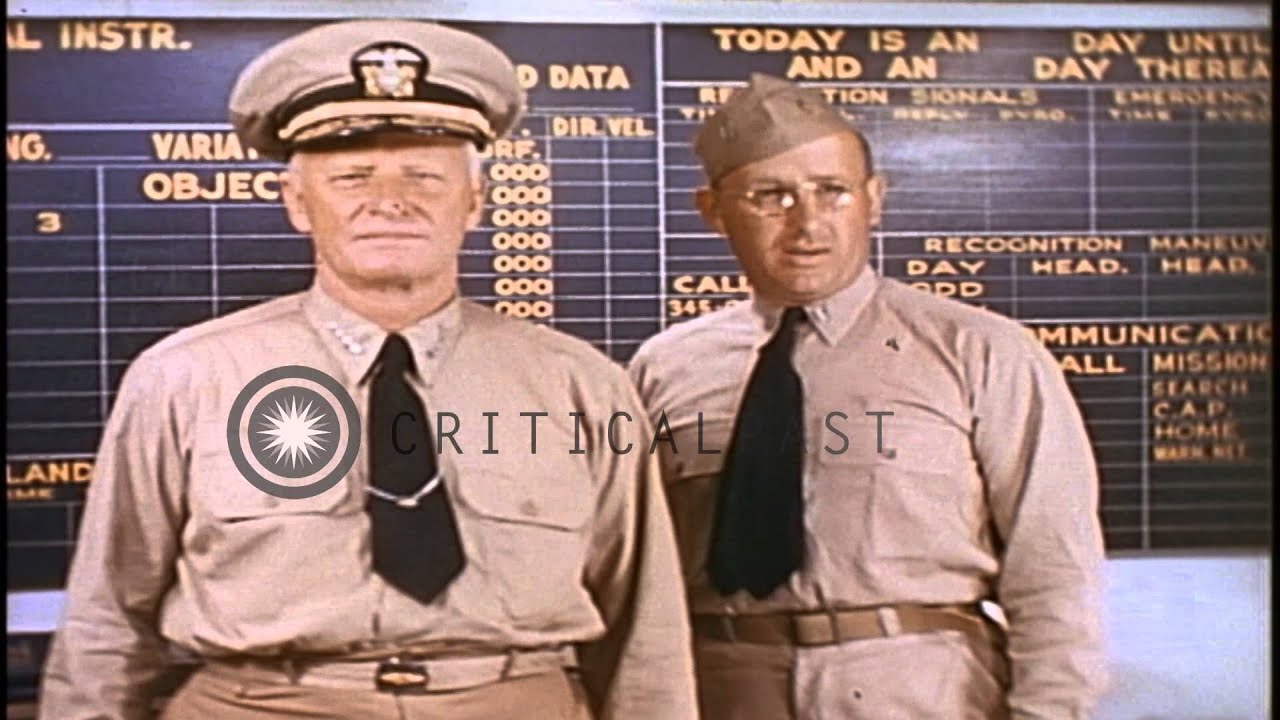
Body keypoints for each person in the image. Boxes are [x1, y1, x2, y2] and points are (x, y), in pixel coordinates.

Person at [40, 20, 696, 720]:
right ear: (298, 203)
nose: (390, 201)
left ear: (475, 202)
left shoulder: (582, 387)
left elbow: (644, 631)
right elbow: (109, 622)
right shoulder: (183, 379)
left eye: (423, 175)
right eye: (352, 177)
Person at [629, 73, 1106, 719]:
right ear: (712, 211)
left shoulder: (980, 352)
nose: (808, 224)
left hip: (920, 687)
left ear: (874, 199)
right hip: (725, 685)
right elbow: (636, 573)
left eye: (833, 193)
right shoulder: (665, 368)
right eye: (772, 197)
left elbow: (1053, 575)